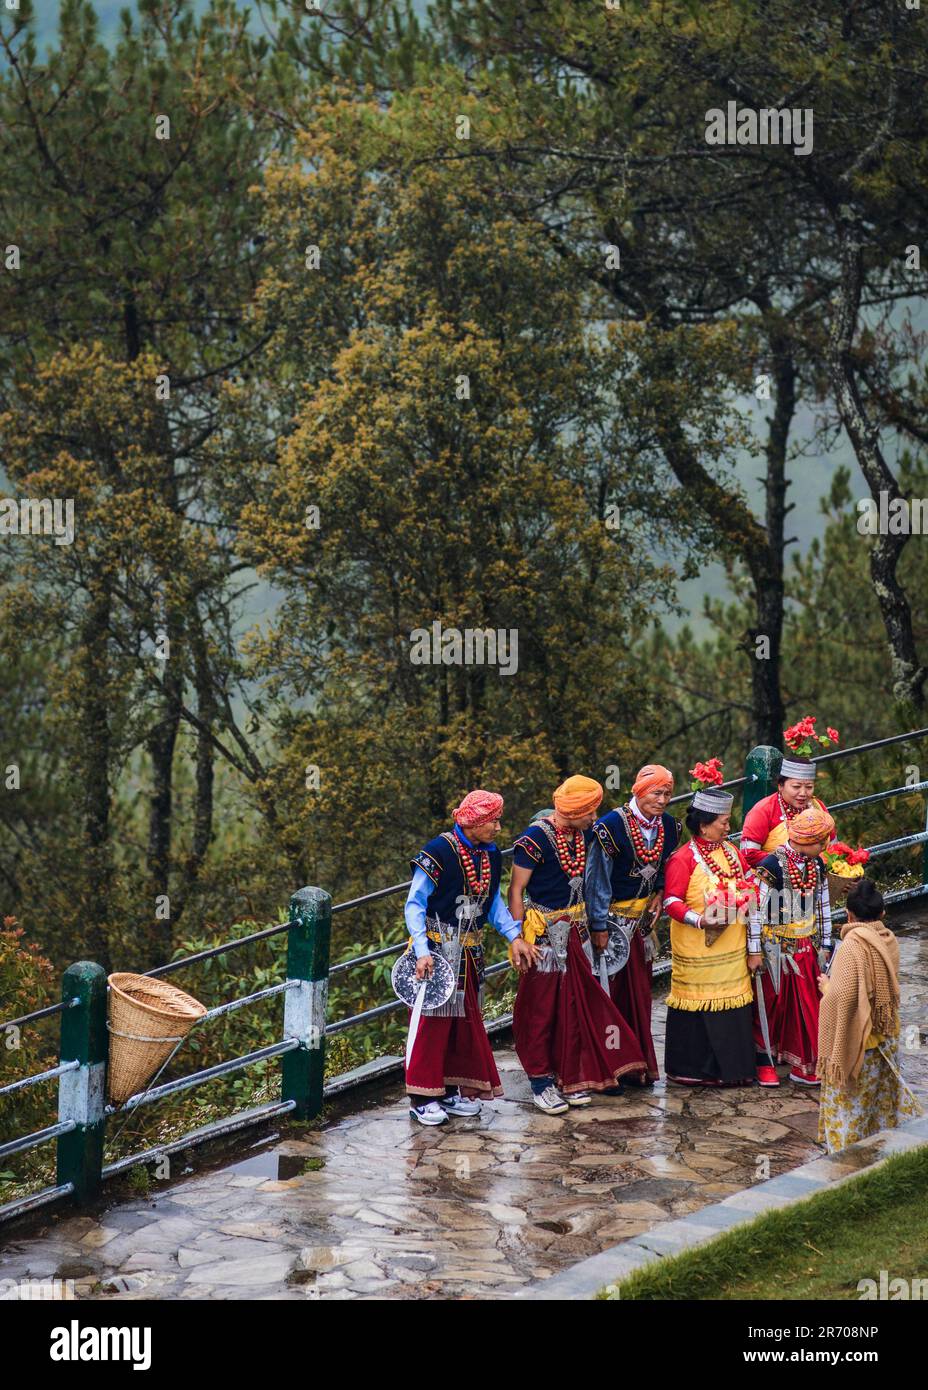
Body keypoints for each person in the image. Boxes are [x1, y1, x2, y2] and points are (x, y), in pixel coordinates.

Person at [509, 774, 647, 1114]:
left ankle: (568, 1077)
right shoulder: (532, 841)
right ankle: (541, 1082)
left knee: (573, 1005)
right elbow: (515, 891)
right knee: (541, 1009)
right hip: (542, 936)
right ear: (574, 809)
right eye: (589, 811)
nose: (594, 818)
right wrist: (515, 939)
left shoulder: (586, 835)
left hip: (577, 932)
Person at [403, 789, 535, 1126]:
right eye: (493, 821)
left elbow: (491, 904)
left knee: (459, 1026)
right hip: (436, 954)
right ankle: (422, 1096)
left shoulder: (490, 855)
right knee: (433, 1026)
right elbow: (415, 904)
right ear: (474, 822)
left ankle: (448, 1091)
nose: (498, 828)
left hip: (469, 955)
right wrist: (421, 951)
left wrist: (514, 936)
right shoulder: (438, 852)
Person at [585, 764, 679, 1085]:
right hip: (610, 925)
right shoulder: (609, 827)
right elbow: (596, 880)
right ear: (639, 791)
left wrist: (661, 890)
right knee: (607, 994)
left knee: (637, 994)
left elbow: (666, 863)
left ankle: (635, 1064)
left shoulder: (669, 826)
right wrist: (598, 925)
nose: (663, 799)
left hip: (640, 926)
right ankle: (608, 1066)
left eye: (667, 793)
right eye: (656, 792)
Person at [662, 784, 762, 1086]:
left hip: (732, 948)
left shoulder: (730, 851)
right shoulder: (683, 859)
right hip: (697, 948)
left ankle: (731, 1070)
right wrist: (700, 920)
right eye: (723, 822)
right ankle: (693, 1070)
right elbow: (671, 901)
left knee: (731, 1007)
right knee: (698, 1005)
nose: (728, 828)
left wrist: (753, 947)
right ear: (704, 825)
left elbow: (749, 886)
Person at [817, 879, 922, 1153]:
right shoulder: (888, 939)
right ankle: (879, 1151)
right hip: (884, 1039)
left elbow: (844, 997)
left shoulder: (853, 945)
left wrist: (827, 987)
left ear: (849, 915)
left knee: (851, 1109)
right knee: (878, 1105)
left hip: (858, 1045)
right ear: (882, 913)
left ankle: (846, 1160)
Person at [753, 804, 836, 1086]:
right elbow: (755, 910)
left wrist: (825, 943)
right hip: (775, 949)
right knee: (774, 1005)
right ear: (812, 842)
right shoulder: (771, 865)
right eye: (824, 842)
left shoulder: (817, 864)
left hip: (807, 948)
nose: (826, 846)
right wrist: (755, 949)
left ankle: (804, 1063)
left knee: (807, 1006)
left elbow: (823, 905)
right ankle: (765, 1060)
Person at [740, 754, 831, 868]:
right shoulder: (763, 810)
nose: (803, 793)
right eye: (796, 787)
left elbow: (833, 848)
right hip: (775, 878)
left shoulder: (818, 807)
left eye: (809, 787)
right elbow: (748, 854)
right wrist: (794, 863)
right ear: (780, 786)